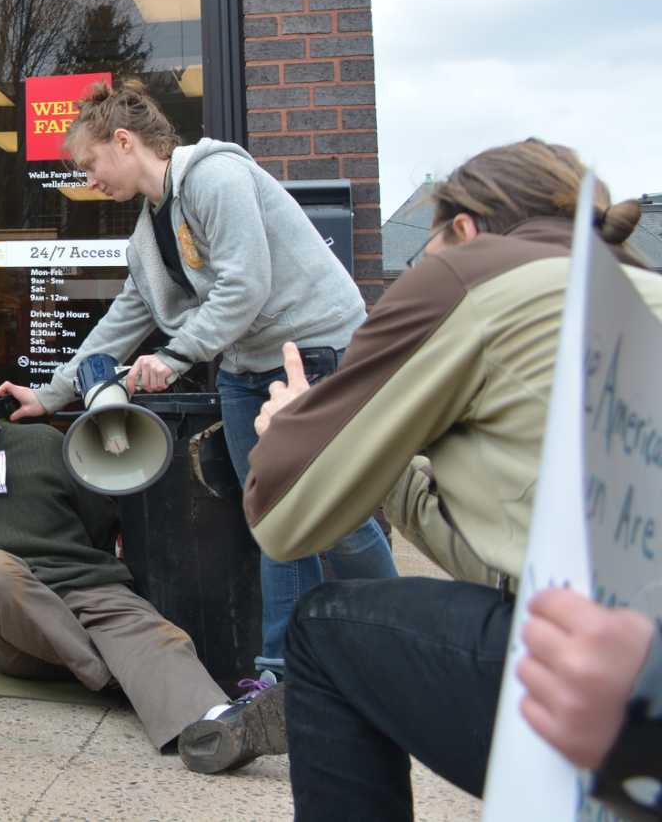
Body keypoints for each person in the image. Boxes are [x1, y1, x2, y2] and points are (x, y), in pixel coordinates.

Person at [243, 139, 662, 818]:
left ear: (461, 229)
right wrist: (379, 457)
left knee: (324, 630)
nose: (420, 268)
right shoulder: (631, 289)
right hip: (644, 667)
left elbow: (285, 515)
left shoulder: (469, 271)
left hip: (611, 686)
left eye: (425, 251)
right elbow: (509, 550)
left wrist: (291, 427)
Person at [0, 80, 397, 686]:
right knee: (273, 512)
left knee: (327, 507)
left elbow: (245, 284)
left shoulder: (215, 177)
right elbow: (123, 322)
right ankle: (288, 676)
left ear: (123, 141)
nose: (88, 177)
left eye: (90, 162)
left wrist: (176, 356)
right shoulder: (148, 233)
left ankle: (397, 628)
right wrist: (51, 393)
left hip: (312, 353)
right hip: (243, 369)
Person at [0, 344, 285, 772]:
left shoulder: (44, 442)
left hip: (84, 586)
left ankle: (215, 729)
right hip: (8, 621)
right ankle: (114, 675)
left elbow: (98, 519)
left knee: (149, 632)